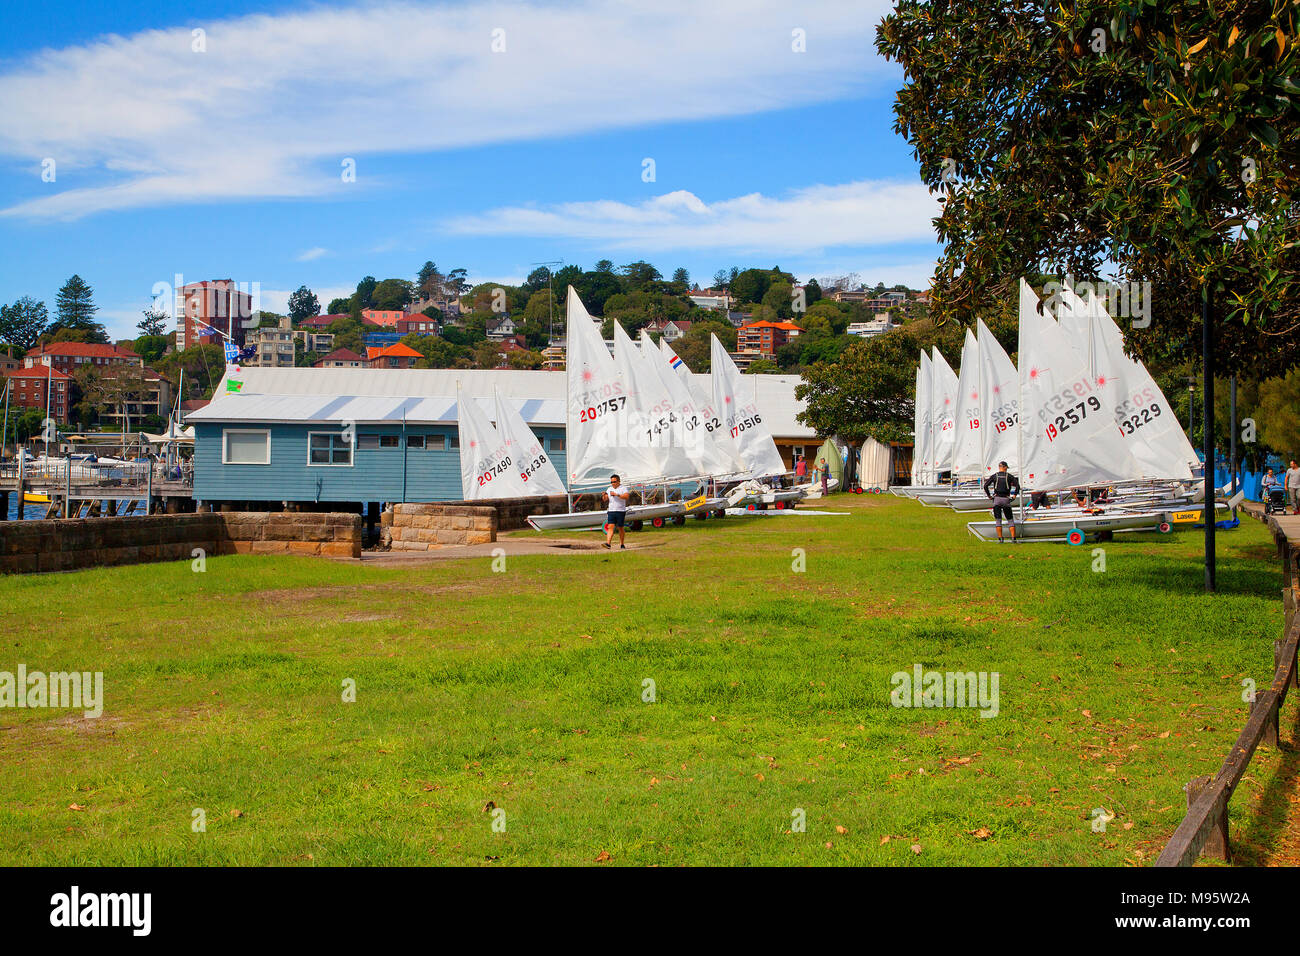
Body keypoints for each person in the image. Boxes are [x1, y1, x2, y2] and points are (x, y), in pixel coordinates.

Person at [982, 460, 1021, 543]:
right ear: (1005, 467)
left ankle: (1000, 539)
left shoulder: (994, 476)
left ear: (999, 467)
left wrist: (989, 496)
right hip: (1006, 499)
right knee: (1010, 520)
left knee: (998, 520)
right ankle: (1013, 539)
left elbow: (985, 486)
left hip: (997, 499)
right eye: (1007, 468)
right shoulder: (1009, 476)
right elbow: (1018, 486)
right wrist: (1014, 495)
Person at [603, 473, 630, 549]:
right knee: (610, 527)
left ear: (618, 481)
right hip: (611, 510)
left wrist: (616, 494)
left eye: (614, 482)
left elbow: (626, 496)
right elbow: (605, 499)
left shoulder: (623, 488)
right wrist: (604, 495)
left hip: (620, 511)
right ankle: (608, 543)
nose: (613, 483)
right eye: (611, 482)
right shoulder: (609, 489)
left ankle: (622, 544)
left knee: (620, 528)